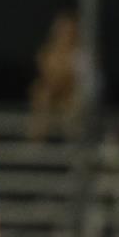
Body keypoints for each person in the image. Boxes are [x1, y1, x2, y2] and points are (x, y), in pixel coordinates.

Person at [26, 8, 95, 142]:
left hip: (72, 99)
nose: (64, 34)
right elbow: (47, 78)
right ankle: (36, 144)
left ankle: (72, 143)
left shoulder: (82, 55)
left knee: (73, 104)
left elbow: (78, 83)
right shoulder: (48, 51)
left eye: (67, 30)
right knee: (40, 94)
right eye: (61, 30)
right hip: (52, 97)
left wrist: (62, 77)